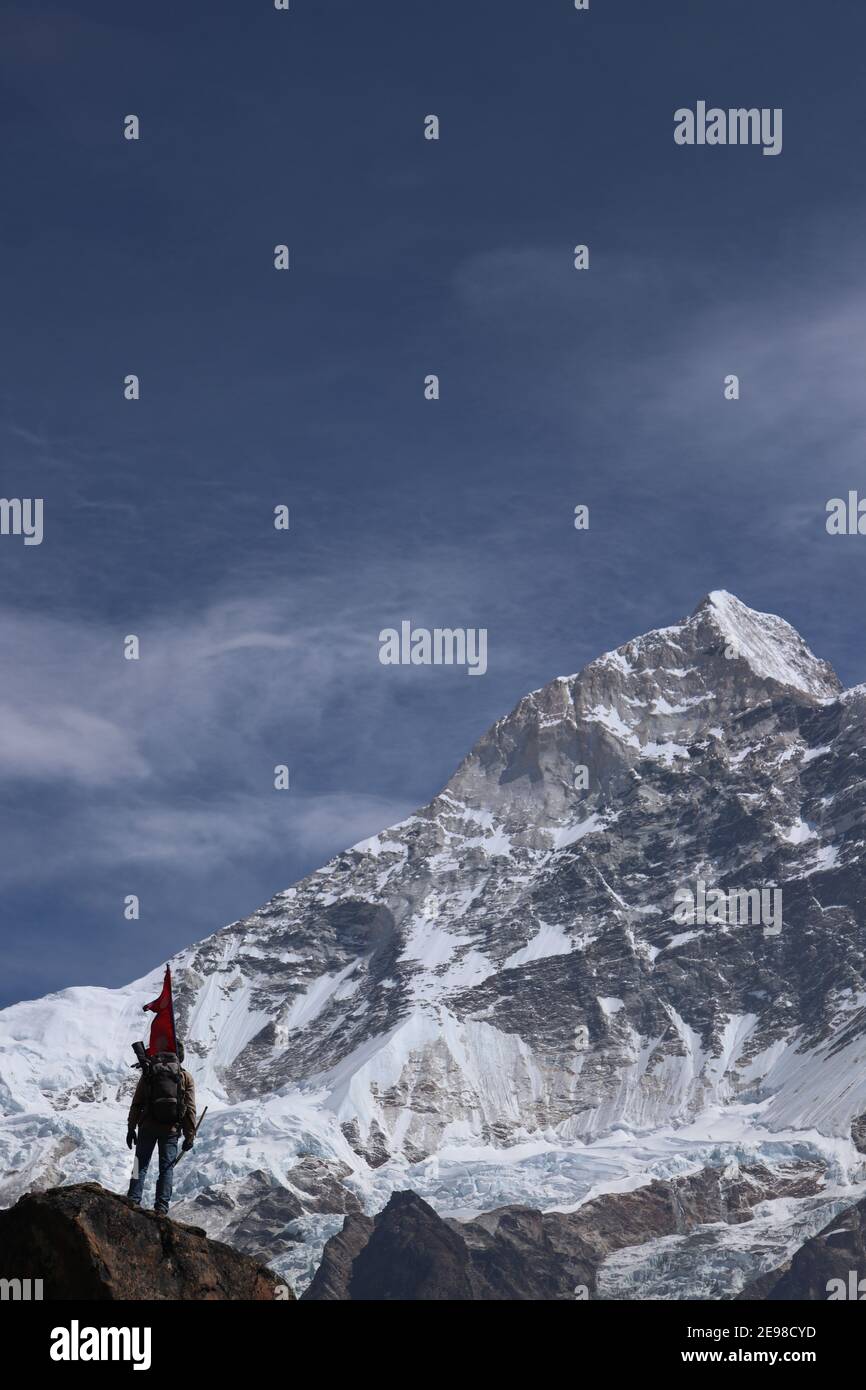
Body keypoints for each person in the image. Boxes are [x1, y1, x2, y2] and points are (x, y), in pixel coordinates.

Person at [126, 1041, 197, 1216]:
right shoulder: (184, 1077)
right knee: (167, 1169)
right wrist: (190, 1135)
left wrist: (131, 1128)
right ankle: (161, 1209)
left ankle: (133, 1200)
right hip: (171, 1129)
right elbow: (190, 1109)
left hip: (147, 1126)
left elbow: (137, 1104)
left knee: (139, 1164)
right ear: (181, 1057)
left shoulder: (149, 1073)